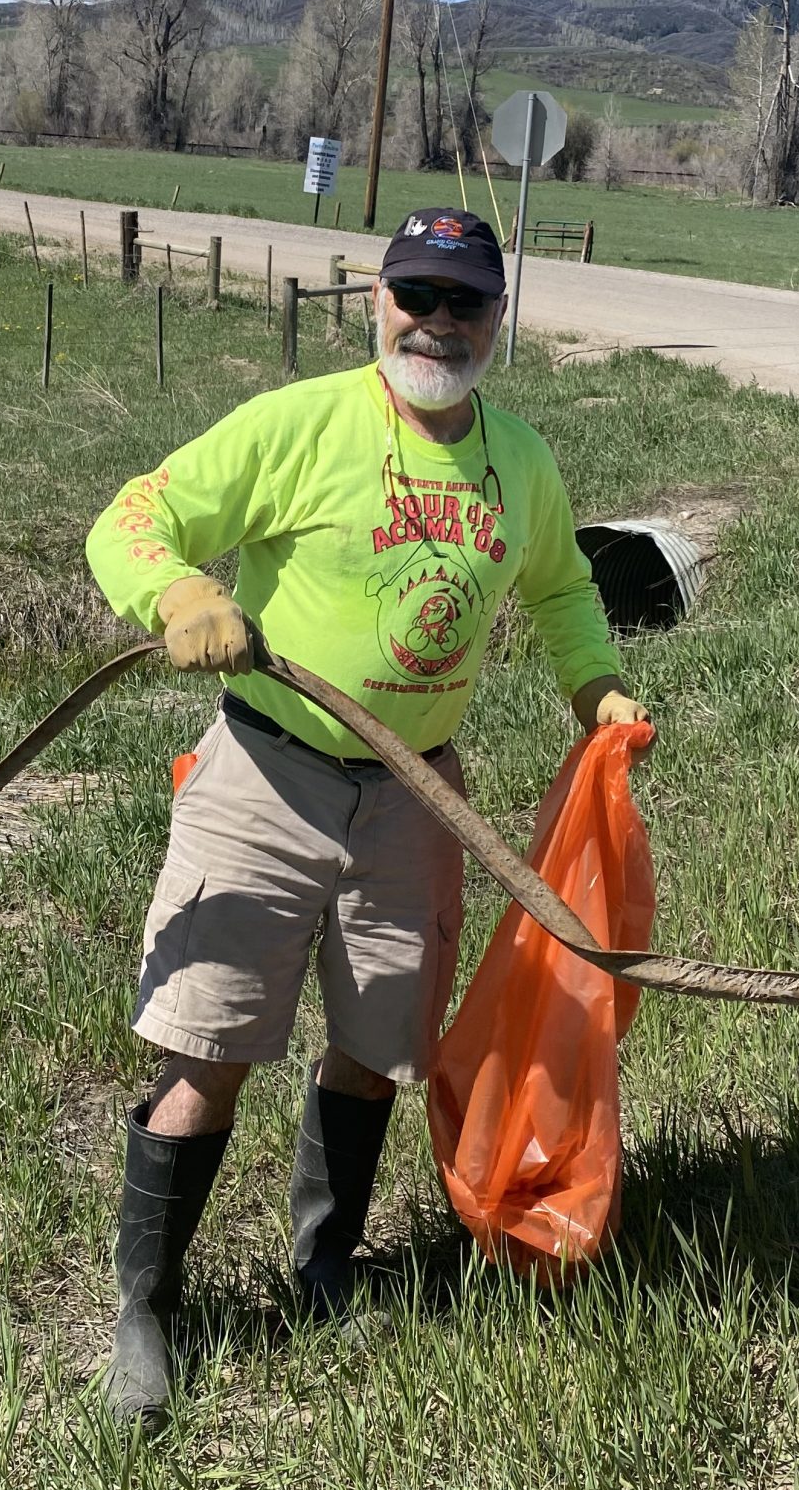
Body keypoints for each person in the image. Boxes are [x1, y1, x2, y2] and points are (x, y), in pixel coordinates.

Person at [84, 209, 649, 1427]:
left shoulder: (521, 462)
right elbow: (130, 517)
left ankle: (324, 1262)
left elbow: (561, 585)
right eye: (415, 294)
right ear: (378, 300)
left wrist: (595, 686)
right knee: (208, 1048)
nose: (437, 323)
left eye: (464, 301)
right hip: (265, 777)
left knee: (379, 1042)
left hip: (415, 795)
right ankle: (148, 1312)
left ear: (498, 317)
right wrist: (178, 589)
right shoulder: (299, 426)